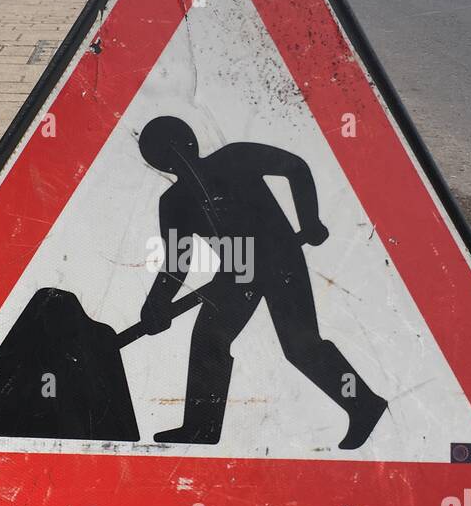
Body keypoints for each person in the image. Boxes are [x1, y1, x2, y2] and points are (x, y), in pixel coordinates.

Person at [137, 117, 388, 449]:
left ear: (190, 141)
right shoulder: (174, 202)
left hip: (279, 258)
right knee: (208, 341)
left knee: (301, 346)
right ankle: (201, 428)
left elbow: (295, 167)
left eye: (176, 145)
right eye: (165, 153)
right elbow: (178, 260)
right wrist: (155, 305)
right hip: (236, 272)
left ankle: (364, 404)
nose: (177, 156)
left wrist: (309, 220)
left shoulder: (234, 158)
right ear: (160, 163)